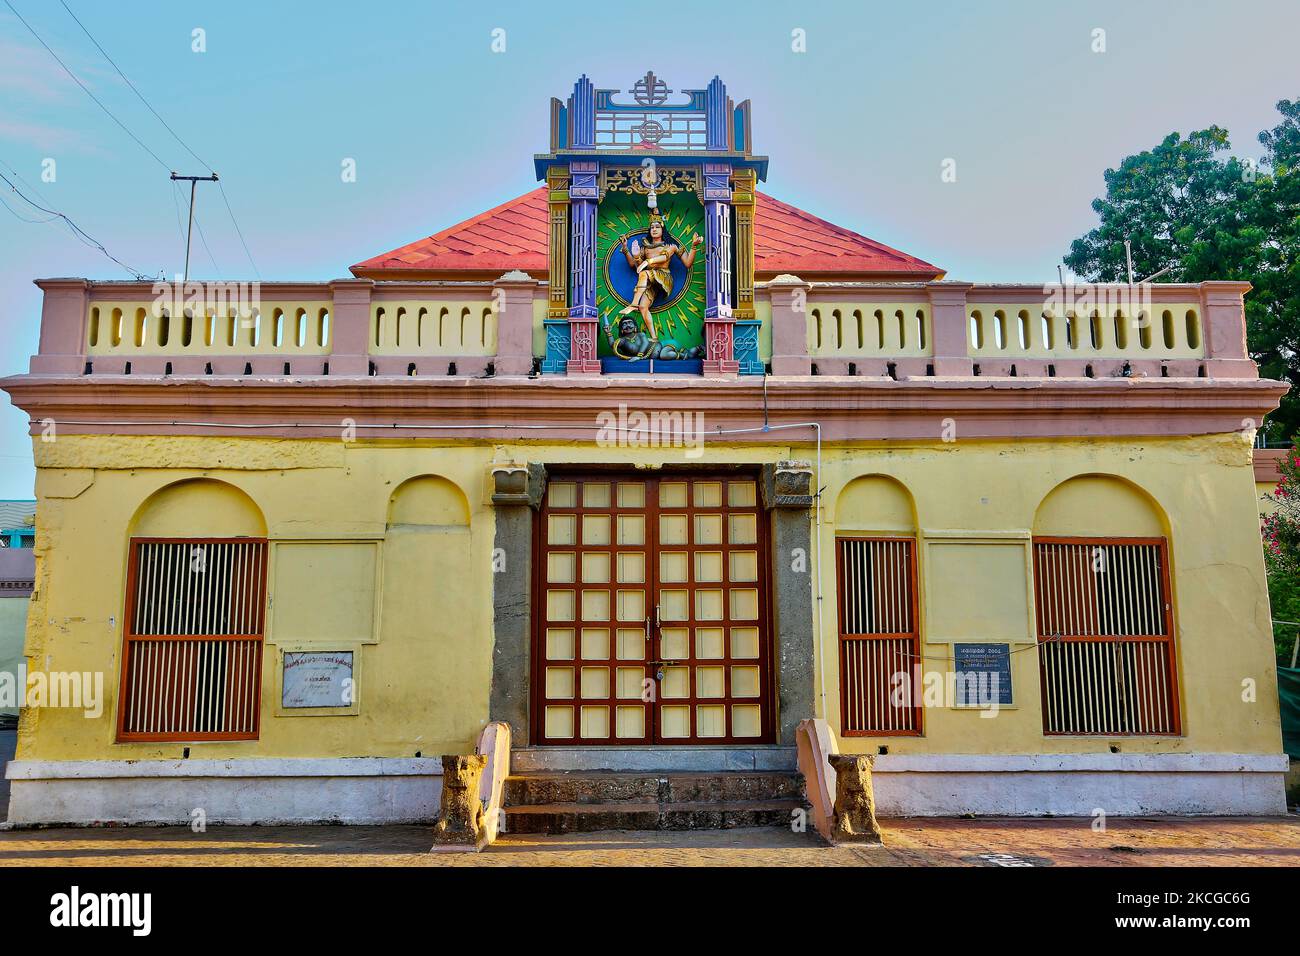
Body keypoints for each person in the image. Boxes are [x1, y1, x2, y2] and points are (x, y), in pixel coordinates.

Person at [617, 216, 702, 341]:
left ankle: (633, 304)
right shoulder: (646, 247)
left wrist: (694, 246)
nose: (654, 229)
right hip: (650, 281)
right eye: (652, 227)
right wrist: (629, 251)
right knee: (643, 307)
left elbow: (686, 263)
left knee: (644, 274)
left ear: (663, 229)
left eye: (657, 227)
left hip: (664, 277)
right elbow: (635, 266)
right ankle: (654, 337)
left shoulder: (671, 246)